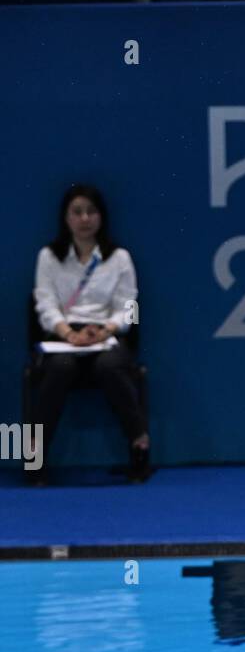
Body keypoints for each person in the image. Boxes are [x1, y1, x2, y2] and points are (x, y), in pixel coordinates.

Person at [31, 183, 150, 484]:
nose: (85, 218)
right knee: (58, 369)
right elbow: (43, 303)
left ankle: (139, 443)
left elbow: (129, 307)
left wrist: (107, 329)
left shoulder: (119, 258)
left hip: (107, 336)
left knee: (110, 367)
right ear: (66, 218)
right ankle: (34, 456)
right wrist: (67, 333)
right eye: (77, 212)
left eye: (91, 212)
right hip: (63, 337)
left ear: (101, 217)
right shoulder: (49, 257)